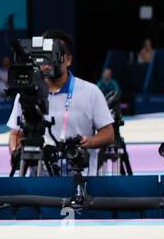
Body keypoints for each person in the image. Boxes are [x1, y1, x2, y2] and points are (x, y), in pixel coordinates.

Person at [6, 31, 116, 174]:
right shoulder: (27, 93)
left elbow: (108, 134)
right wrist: (15, 152)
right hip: (39, 178)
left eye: (54, 54)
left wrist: (88, 141)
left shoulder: (90, 91)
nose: (48, 62)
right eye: (44, 55)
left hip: (79, 176)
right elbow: (15, 134)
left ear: (68, 60)